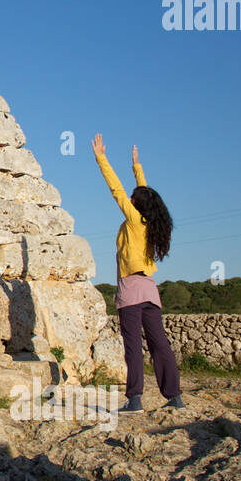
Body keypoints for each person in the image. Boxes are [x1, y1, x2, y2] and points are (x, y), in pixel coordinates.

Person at [91, 134, 184, 413]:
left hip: (131, 289)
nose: (129, 200)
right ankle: (174, 396)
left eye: (133, 199)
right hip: (150, 289)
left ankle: (134, 399)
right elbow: (145, 195)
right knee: (159, 345)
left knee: (132, 346)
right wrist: (137, 168)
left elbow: (116, 190)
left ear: (136, 205)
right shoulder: (150, 222)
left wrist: (100, 158)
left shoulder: (133, 221)